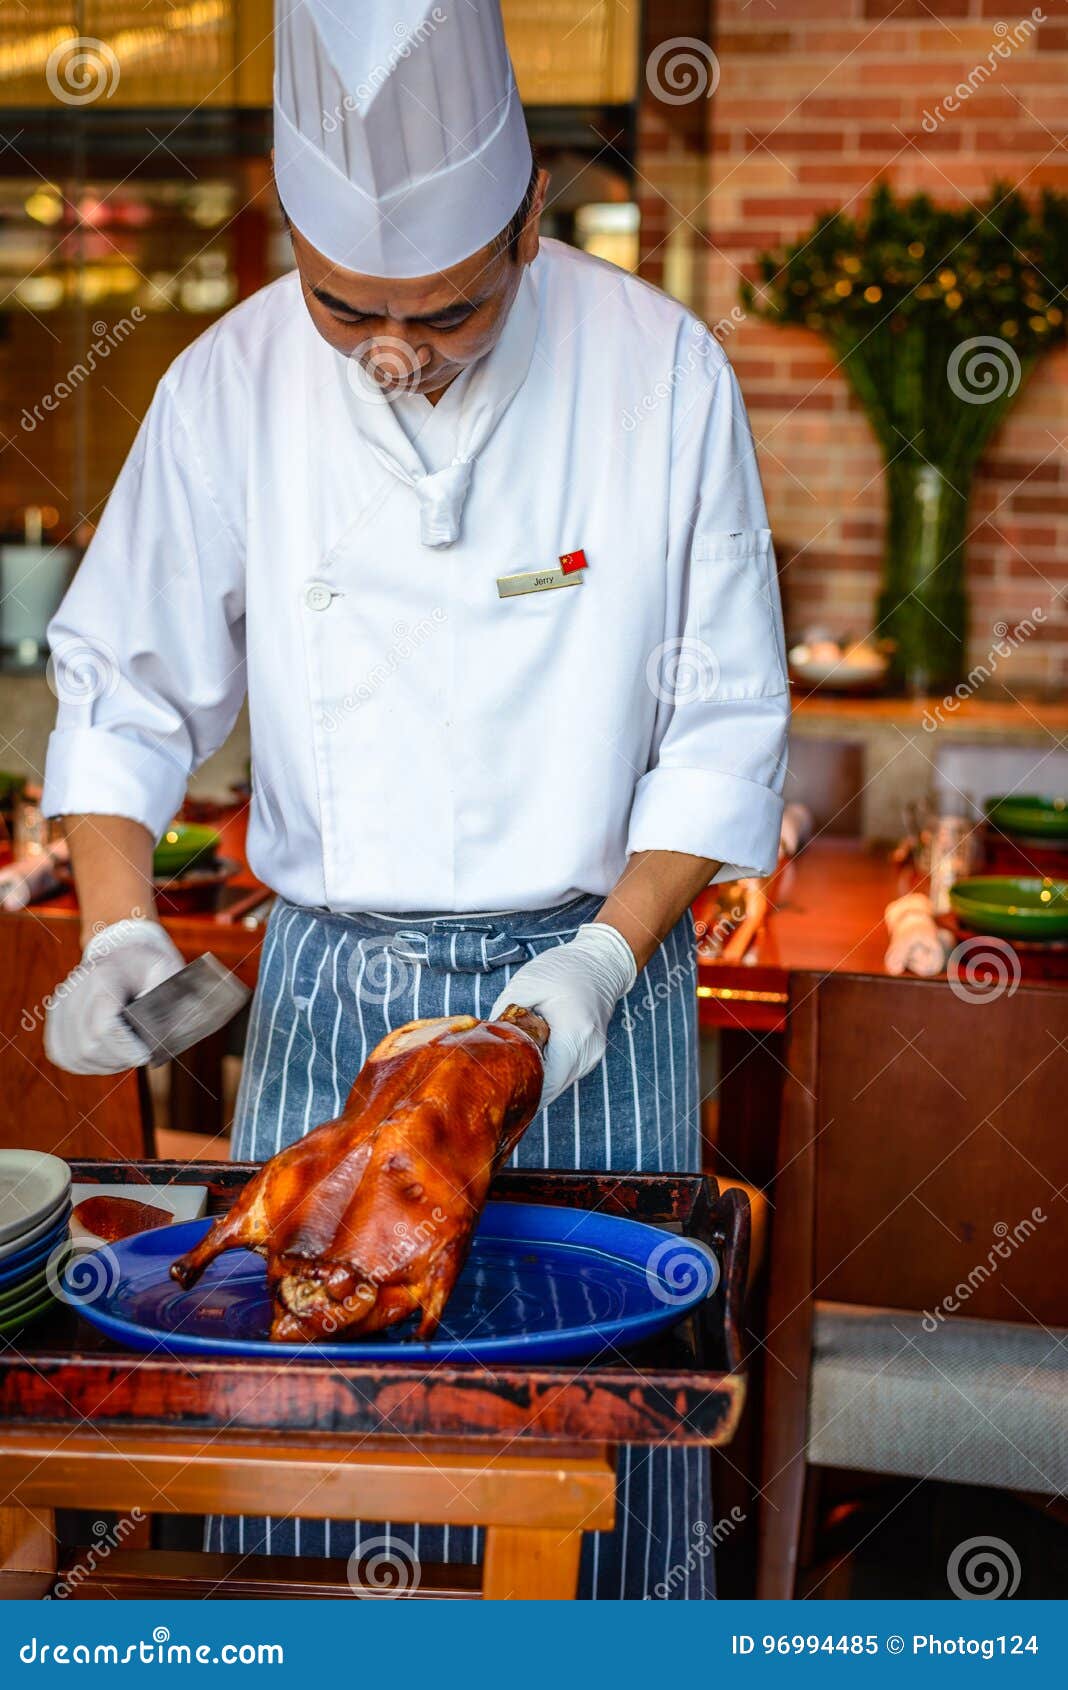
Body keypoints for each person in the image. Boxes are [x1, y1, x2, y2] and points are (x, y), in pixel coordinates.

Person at [41, 0, 789, 1598]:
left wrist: (590, 968)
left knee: (604, 1455)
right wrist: (114, 928)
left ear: (529, 223)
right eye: (343, 307)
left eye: (444, 316)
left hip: (597, 997)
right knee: (316, 1450)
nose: (392, 352)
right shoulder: (226, 381)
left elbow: (723, 727)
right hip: (332, 1000)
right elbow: (123, 685)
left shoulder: (663, 371)